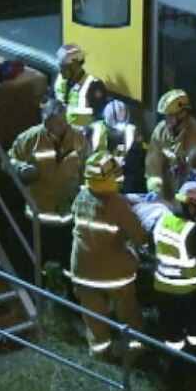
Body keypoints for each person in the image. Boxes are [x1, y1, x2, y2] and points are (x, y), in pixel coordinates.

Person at [69, 153, 149, 357]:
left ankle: (100, 353)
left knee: (94, 317)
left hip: (82, 271)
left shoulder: (81, 197)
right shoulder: (117, 204)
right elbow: (138, 235)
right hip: (114, 274)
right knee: (128, 312)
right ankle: (136, 352)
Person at [8, 99, 91, 278]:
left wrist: (85, 192)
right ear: (45, 121)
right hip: (40, 216)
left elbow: (87, 167)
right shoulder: (30, 138)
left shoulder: (78, 139)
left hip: (68, 215)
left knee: (69, 262)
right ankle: (41, 291)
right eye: (52, 123)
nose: (58, 126)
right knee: (38, 262)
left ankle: (67, 293)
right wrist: (20, 168)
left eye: (61, 122)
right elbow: (9, 160)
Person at [152, 181, 196, 350]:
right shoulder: (192, 231)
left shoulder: (162, 221)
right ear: (193, 207)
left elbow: (155, 250)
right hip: (188, 292)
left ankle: (174, 366)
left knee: (172, 333)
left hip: (162, 288)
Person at [145, 89, 196, 201]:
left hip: (189, 202)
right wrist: (155, 190)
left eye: (170, 116)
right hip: (165, 198)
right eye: (166, 116)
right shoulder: (162, 130)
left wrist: (183, 203)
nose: (166, 120)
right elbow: (153, 165)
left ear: (183, 114)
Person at [91, 99, 145, 194]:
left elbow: (135, 166)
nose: (118, 133)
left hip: (122, 186)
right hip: (97, 183)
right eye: (114, 130)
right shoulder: (93, 131)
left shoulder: (132, 132)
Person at [54, 43, 108, 128]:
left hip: (81, 136)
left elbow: (99, 118)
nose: (60, 71)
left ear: (74, 65)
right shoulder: (61, 80)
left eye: (63, 67)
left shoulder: (94, 86)